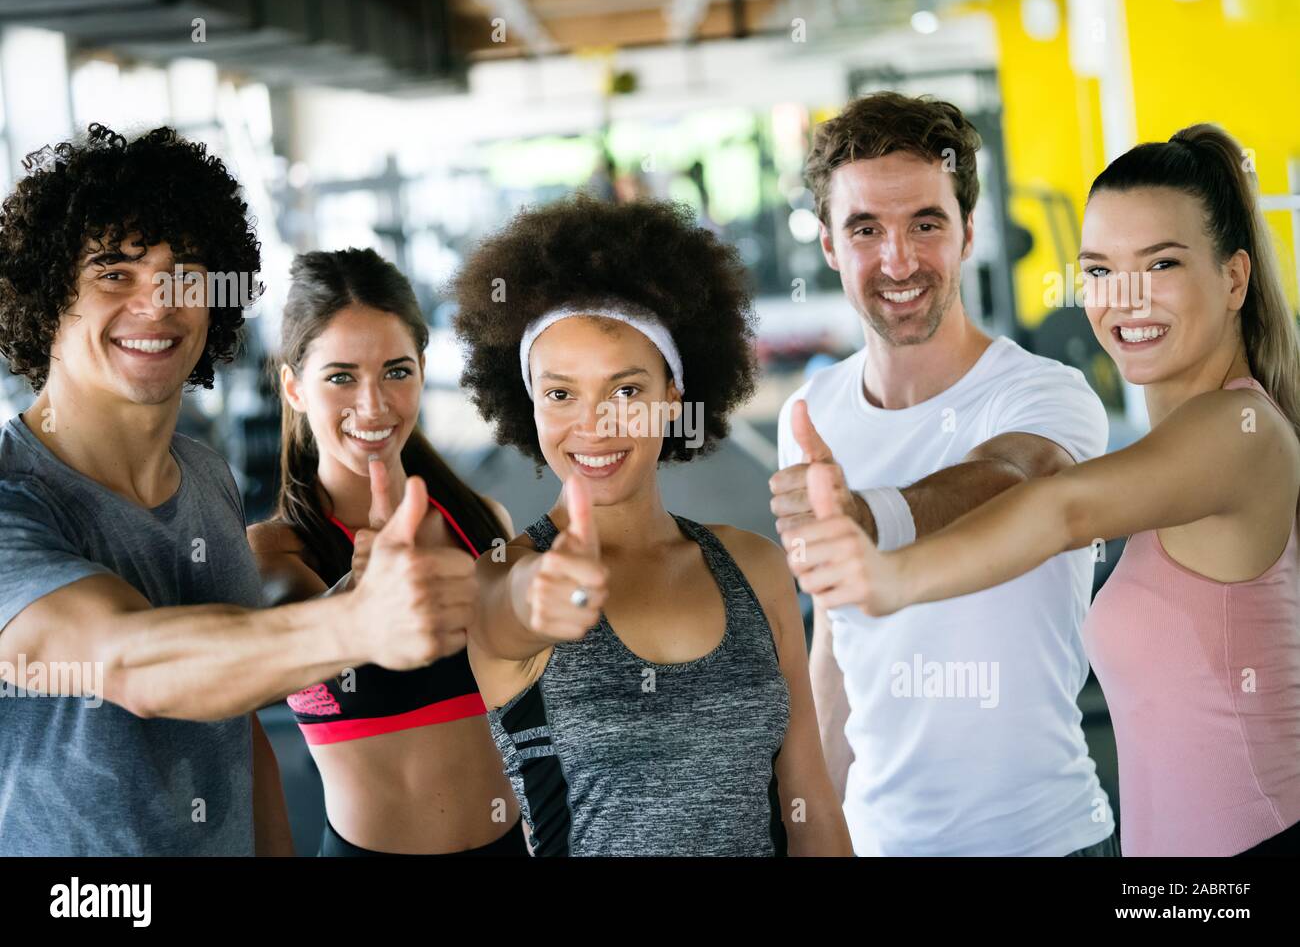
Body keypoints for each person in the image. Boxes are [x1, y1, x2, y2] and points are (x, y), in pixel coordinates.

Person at [793, 123, 1300, 857]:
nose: (1123, 298)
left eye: (1159, 262)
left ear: (1233, 278)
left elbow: (1060, 505)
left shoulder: (1240, 427)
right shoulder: (1194, 450)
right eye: (1098, 270)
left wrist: (886, 571)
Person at [0, 125, 468, 855]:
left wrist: (352, 599)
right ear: (47, 295)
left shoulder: (206, 474)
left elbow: (239, 723)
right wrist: (358, 624)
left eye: (184, 273)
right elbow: (128, 662)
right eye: (114, 273)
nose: (157, 303)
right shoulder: (11, 495)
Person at [453, 196, 852, 856]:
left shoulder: (754, 566)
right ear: (528, 398)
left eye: (627, 389)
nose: (595, 424)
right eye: (560, 393)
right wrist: (541, 597)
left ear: (674, 394)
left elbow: (807, 794)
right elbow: (506, 612)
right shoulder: (507, 574)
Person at [772, 92, 1116, 856]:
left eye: (926, 223)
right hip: (879, 840)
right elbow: (836, 641)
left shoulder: (1044, 393)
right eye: (866, 229)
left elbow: (1019, 473)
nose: (898, 260)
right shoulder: (811, 412)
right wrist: (817, 832)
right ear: (830, 244)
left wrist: (874, 516)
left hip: (1045, 840)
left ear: (967, 234)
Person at [247, 248, 527, 856]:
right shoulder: (276, 552)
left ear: (423, 370)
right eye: (341, 376)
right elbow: (263, 665)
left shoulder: (484, 522)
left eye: (396, 371)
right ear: (294, 387)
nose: (373, 405)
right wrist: (355, 598)